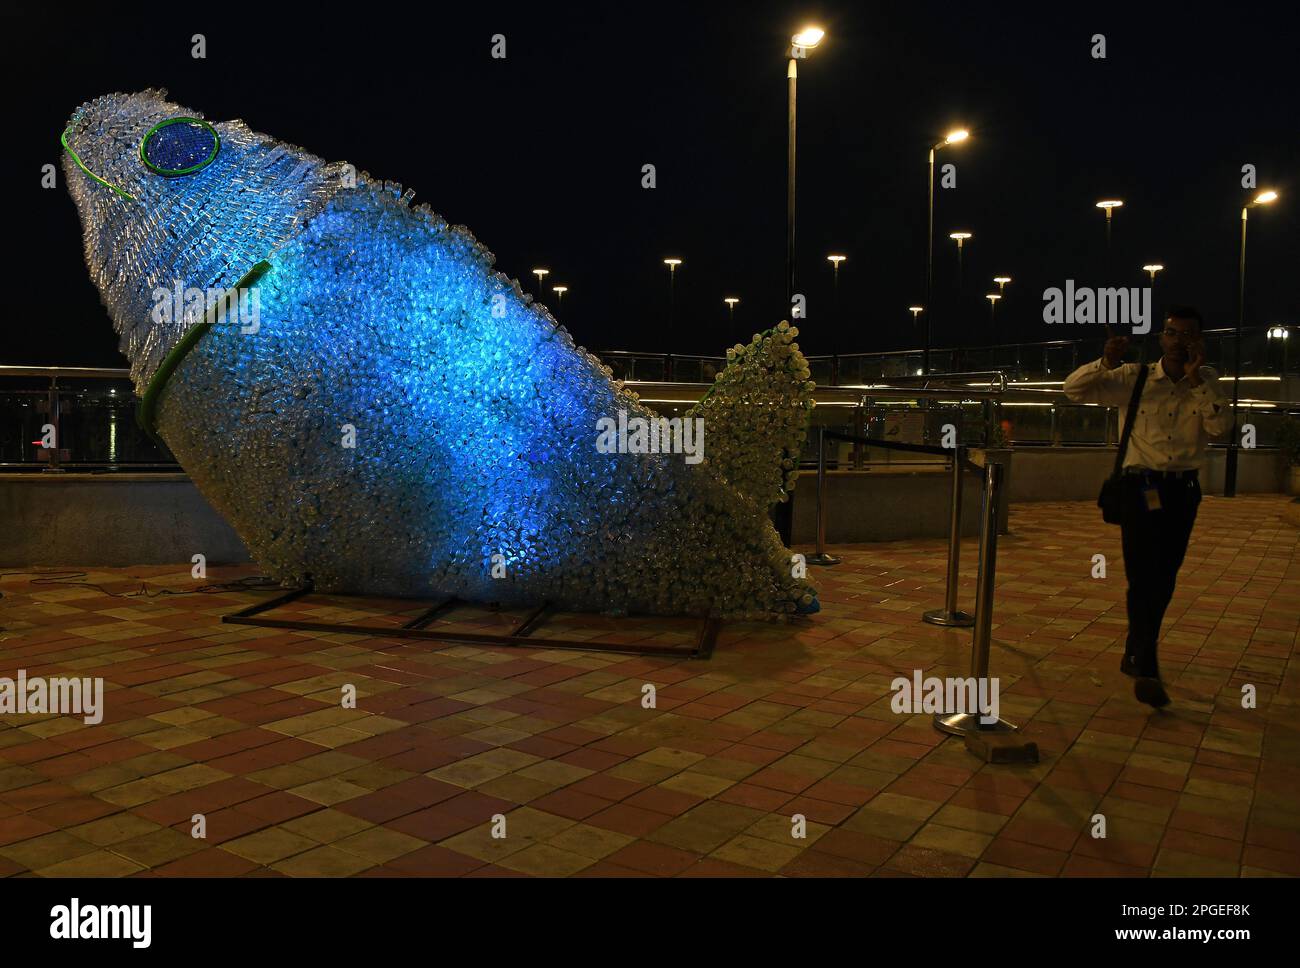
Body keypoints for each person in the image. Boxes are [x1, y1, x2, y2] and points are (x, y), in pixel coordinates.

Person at [1063, 307, 1232, 707]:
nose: (1179, 341)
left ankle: (1136, 647)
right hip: (1140, 489)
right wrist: (1106, 361)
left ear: (1200, 341)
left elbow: (1221, 428)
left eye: (1188, 335)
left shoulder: (1207, 382)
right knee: (1143, 573)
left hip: (1183, 491)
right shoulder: (1134, 377)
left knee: (1167, 573)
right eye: (1173, 333)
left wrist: (1195, 382)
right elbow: (1074, 390)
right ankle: (1147, 659)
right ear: (1161, 338)